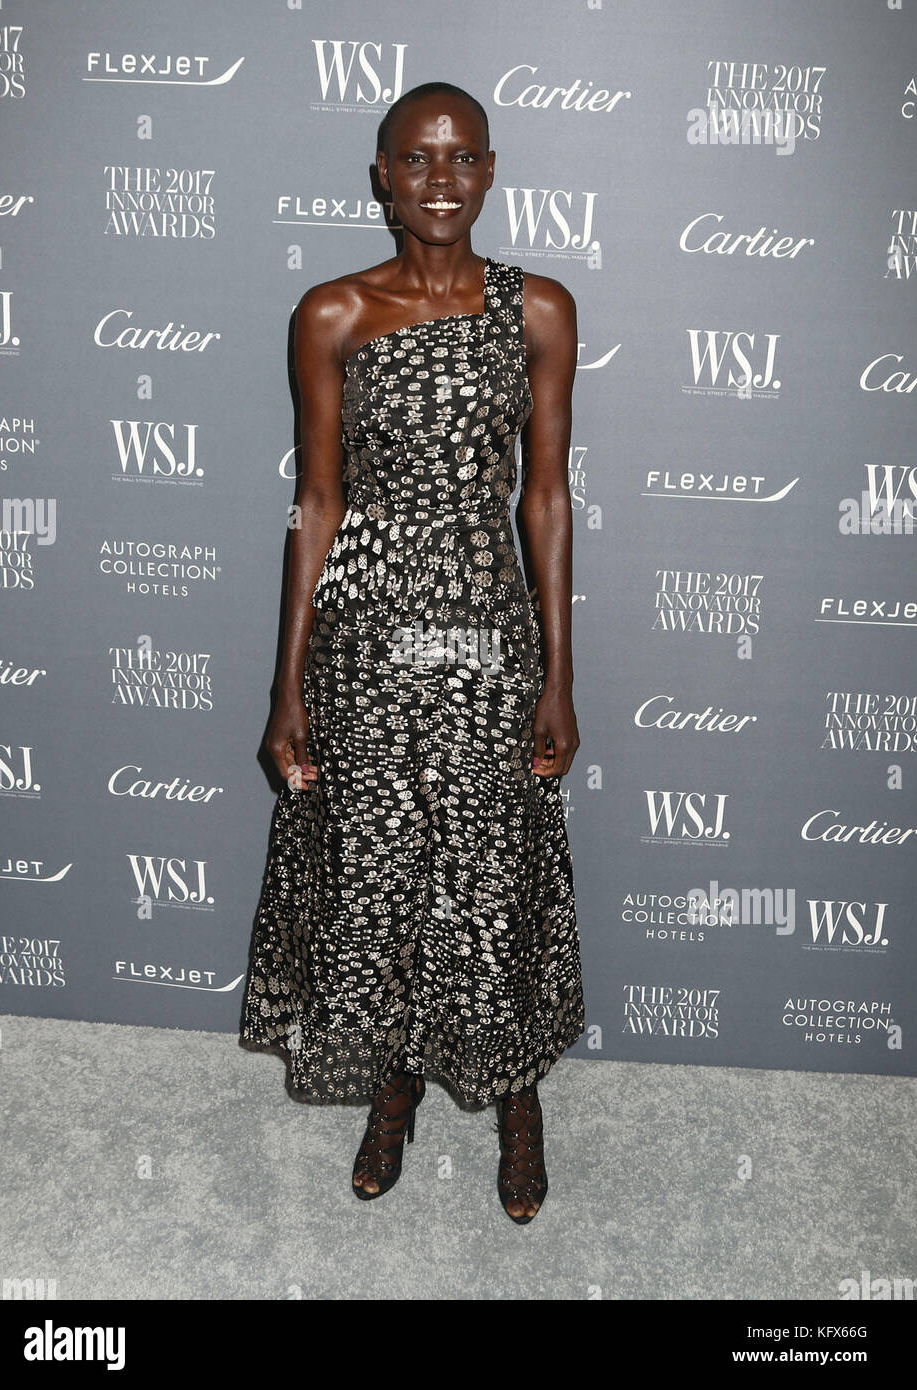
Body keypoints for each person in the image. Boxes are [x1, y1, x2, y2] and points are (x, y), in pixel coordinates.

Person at [239, 81, 585, 1224]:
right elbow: (317, 499)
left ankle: (516, 1092)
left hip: (488, 633)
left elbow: (545, 496)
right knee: (385, 875)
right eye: (416, 159)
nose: (441, 180)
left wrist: (559, 672)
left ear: (490, 172)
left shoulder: (536, 308)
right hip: (366, 643)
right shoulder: (330, 312)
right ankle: (394, 1089)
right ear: (380, 173)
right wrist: (289, 681)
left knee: (491, 873)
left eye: (462, 158)